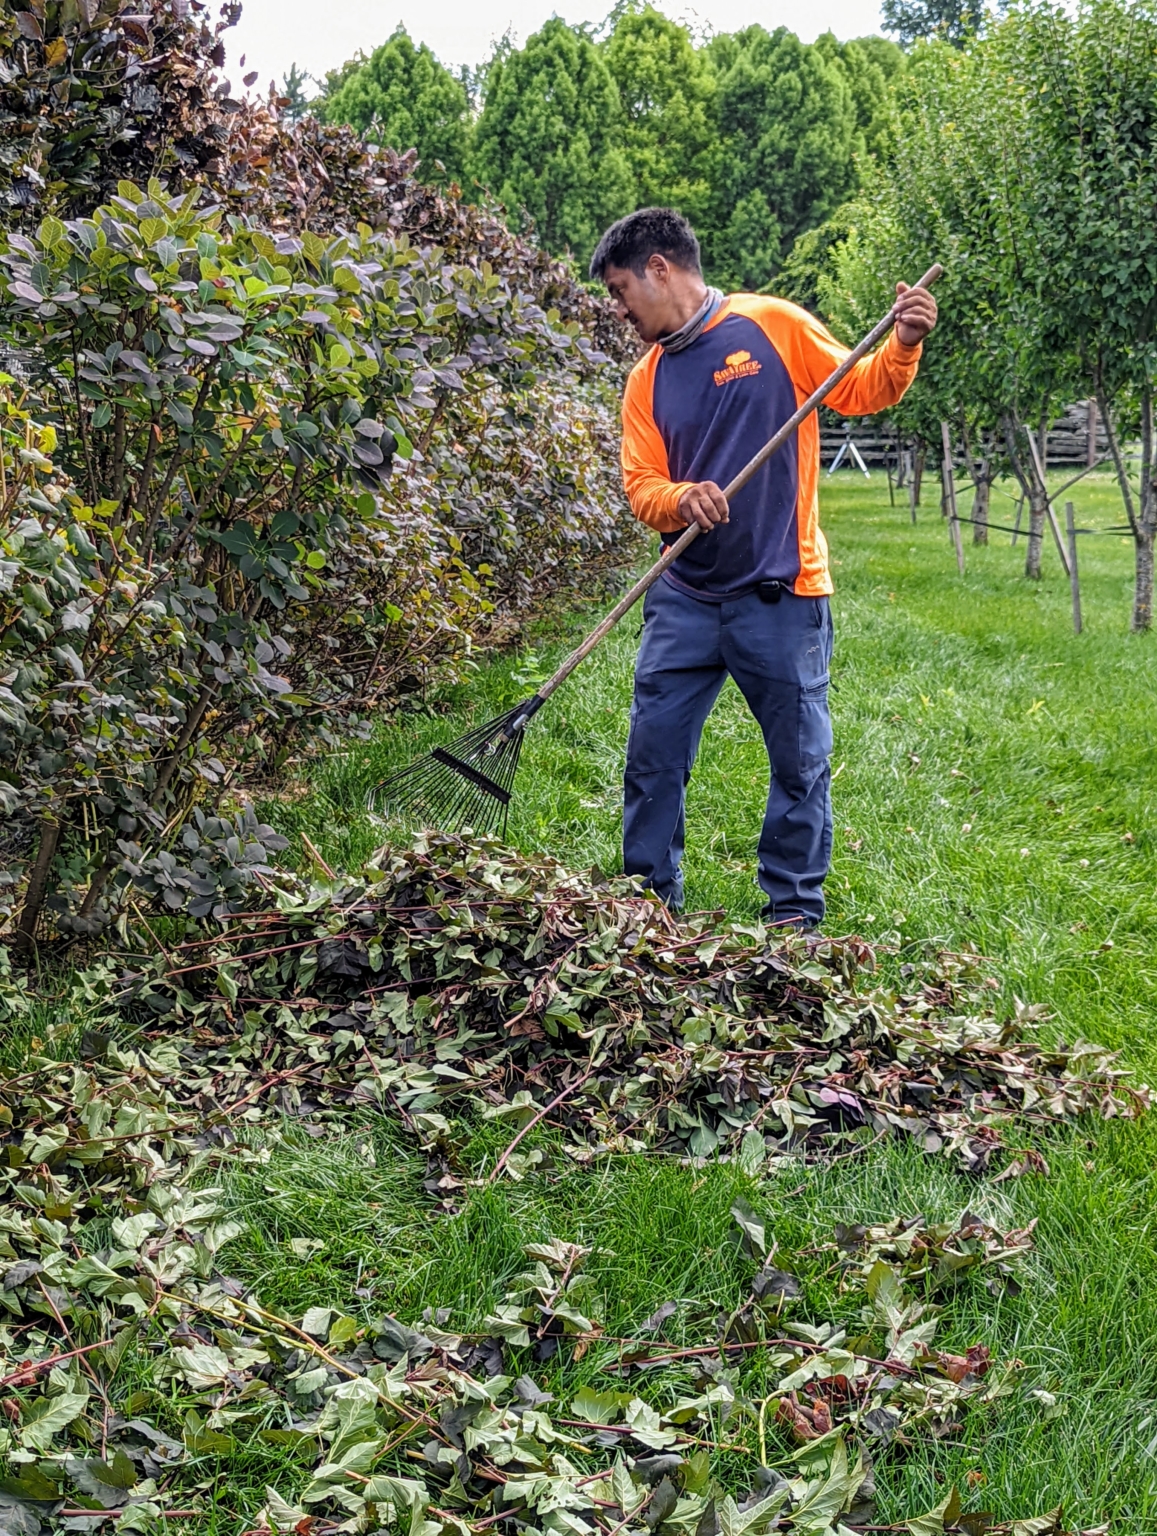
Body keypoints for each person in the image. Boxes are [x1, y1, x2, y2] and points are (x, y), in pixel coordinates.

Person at [589, 207, 937, 929]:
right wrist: (682, 498)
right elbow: (641, 488)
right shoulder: (643, 382)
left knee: (799, 767)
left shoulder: (771, 325)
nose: (618, 310)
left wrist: (901, 344)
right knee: (652, 761)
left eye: (622, 290)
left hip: (780, 594)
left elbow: (858, 388)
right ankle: (646, 910)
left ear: (659, 269)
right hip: (684, 598)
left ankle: (792, 919)